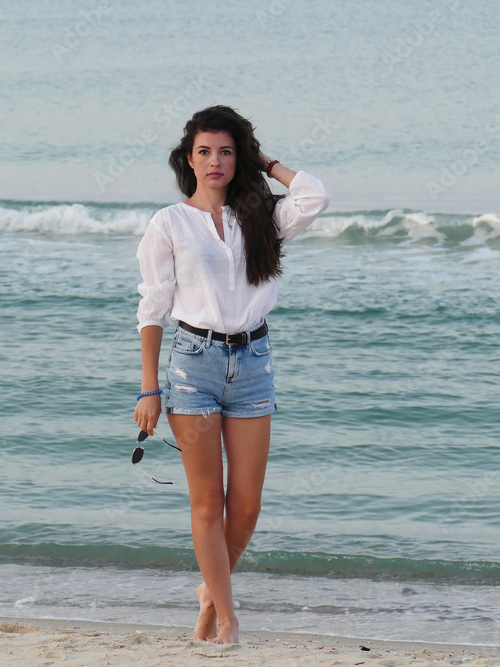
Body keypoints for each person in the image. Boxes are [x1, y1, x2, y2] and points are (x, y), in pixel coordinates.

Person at [133, 105, 330, 644]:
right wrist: (149, 387)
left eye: (226, 151)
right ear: (188, 159)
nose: (215, 161)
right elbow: (153, 308)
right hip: (192, 366)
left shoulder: (262, 216)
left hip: (253, 365)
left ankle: (209, 593)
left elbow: (314, 196)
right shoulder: (169, 223)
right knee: (207, 502)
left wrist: (266, 162)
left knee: (245, 506)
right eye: (204, 152)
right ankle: (226, 616)